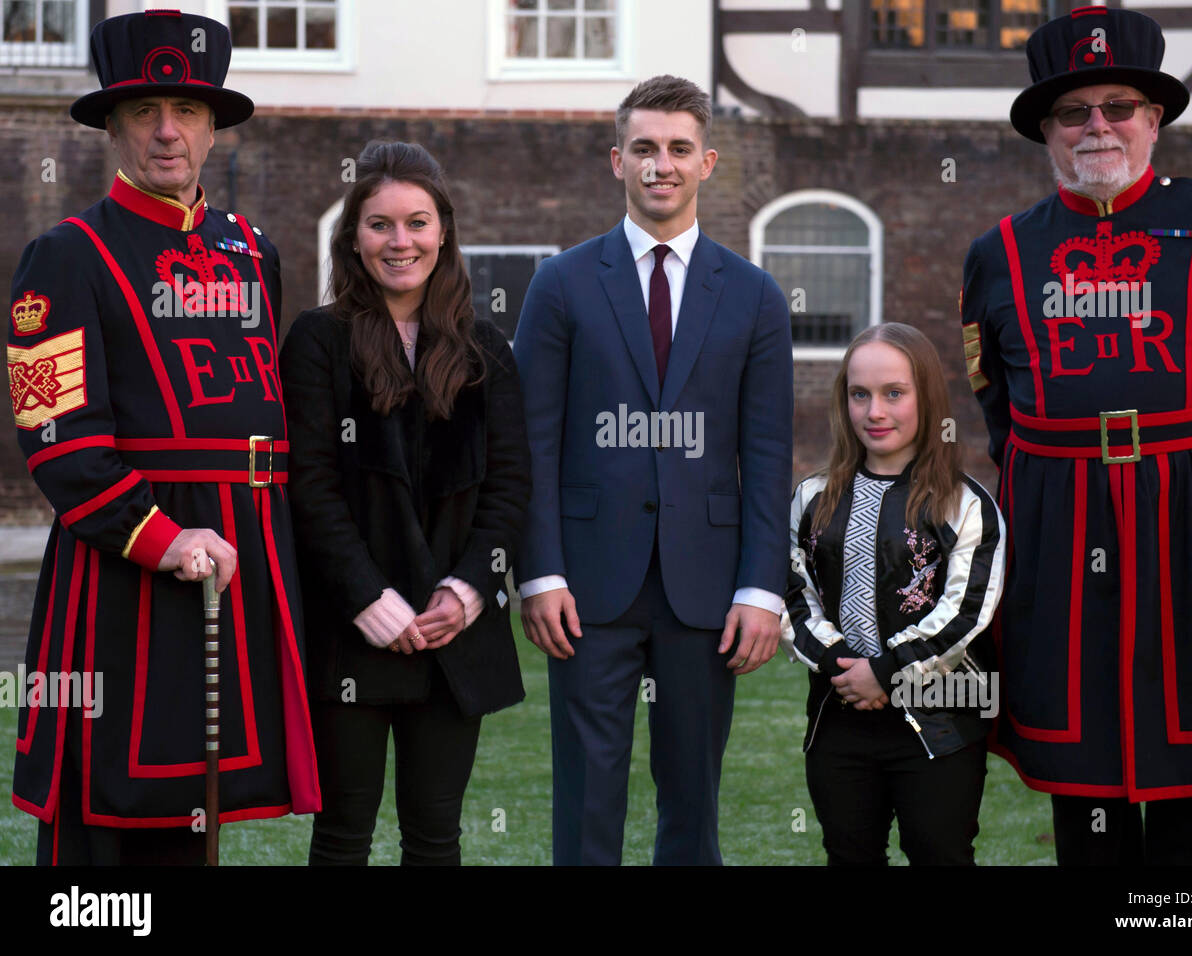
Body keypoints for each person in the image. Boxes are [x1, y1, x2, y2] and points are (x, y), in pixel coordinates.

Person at [961, 6, 1192, 865]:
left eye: (1118, 105)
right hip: (1062, 521)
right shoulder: (998, 250)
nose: (1097, 125)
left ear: (1154, 119)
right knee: (1086, 756)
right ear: (1046, 129)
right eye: (1075, 111)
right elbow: (996, 402)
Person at [7, 11, 320, 864]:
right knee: (103, 814)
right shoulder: (63, 253)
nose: (168, 131)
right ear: (113, 126)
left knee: (200, 807)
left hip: (249, 550)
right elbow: (56, 438)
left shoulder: (254, 249)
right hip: (126, 567)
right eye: (145, 112)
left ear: (215, 126)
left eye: (187, 110)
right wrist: (163, 537)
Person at [513, 74, 794, 865]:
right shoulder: (560, 285)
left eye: (677, 149)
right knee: (586, 797)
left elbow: (769, 455)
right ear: (616, 160)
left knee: (693, 799)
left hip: (707, 589)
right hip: (586, 589)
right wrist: (539, 576)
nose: (659, 165)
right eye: (643, 148)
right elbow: (531, 443)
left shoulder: (755, 296)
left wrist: (760, 588)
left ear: (708, 161)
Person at [279, 141, 530, 866]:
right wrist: (369, 599)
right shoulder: (318, 340)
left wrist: (471, 588)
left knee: (434, 837)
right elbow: (310, 485)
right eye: (380, 224)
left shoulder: (486, 350)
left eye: (416, 223)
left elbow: (512, 485)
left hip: (454, 633)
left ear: (443, 231)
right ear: (353, 237)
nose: (401, 242)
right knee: (341, 837)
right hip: (350, 631)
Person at [781, 323, 1005, 866]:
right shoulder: (812, 497)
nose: (875, 411)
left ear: (925, 398)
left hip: (944, 715)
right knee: (849, 852)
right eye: (860, 394)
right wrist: (844, 666)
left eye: (893, 394)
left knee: (940, 851)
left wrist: (884, 672)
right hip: (840, 712)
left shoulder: (965, 503)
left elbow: (966, 610)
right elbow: (792, 594)